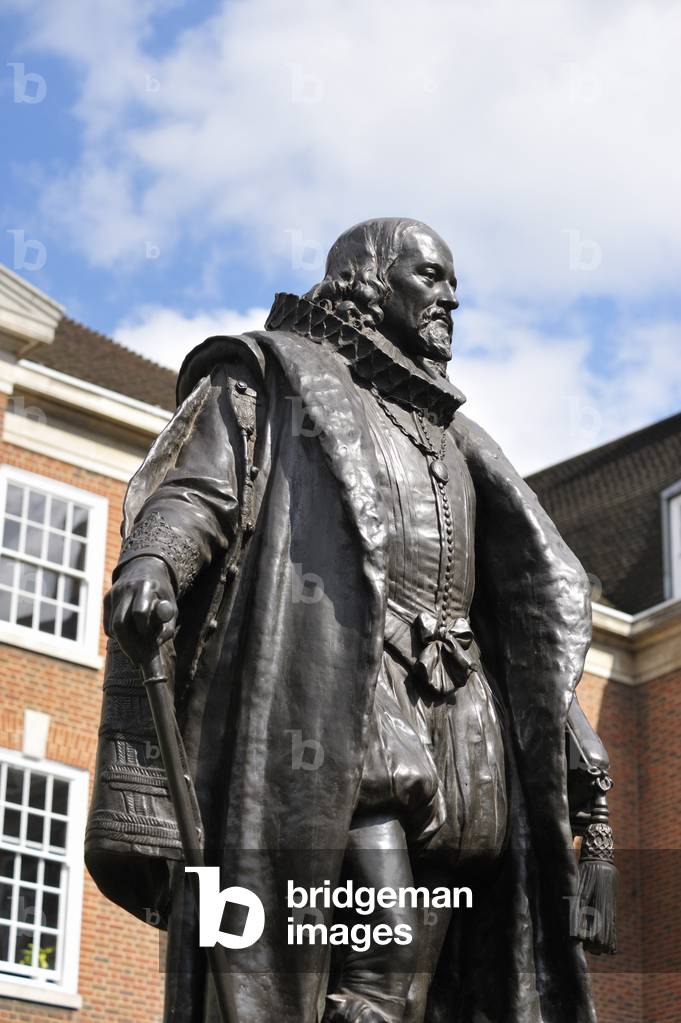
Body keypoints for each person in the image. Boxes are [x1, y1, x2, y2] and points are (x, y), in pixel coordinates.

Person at [87, 219, 614, 1023]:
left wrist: (565, 722)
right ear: (367, 280)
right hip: (344, 703)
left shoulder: (454, 435)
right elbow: (197, 490)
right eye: (431, 275)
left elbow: (509, 613)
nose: (451, 295)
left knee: (434, 982)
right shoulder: (275, 379)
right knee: (384, 949)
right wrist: (152, 562)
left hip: (462, 728)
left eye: (451, 280)